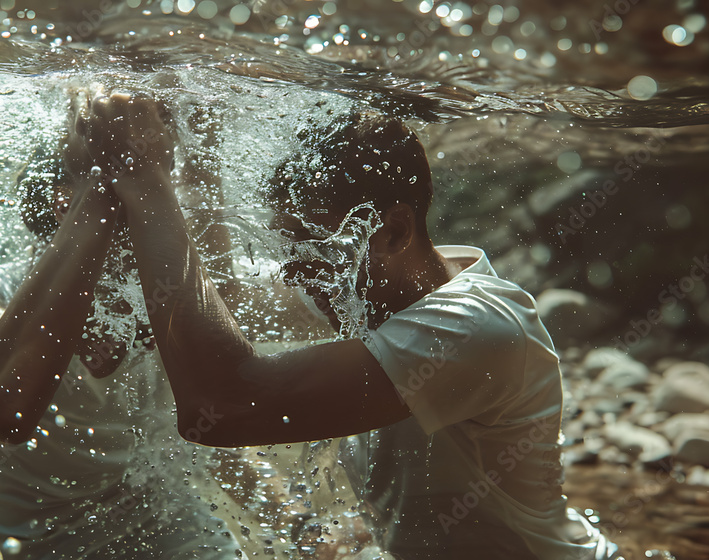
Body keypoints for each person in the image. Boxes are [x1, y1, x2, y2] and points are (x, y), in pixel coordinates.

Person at [80, 90, 623, 559]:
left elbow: (218, 406)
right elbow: (222, 299)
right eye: (288, 250)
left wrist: (144, 181)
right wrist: (202, 145)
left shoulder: (471, 326)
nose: (296, 272)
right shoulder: (362, 284)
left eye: (311, 250)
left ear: (392, 230)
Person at [0, 91, 257, 559]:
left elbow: (218, 404)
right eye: (146, 185)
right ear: (68, 203)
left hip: (183, 530)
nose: (162, 207)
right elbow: (6, 405)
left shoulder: (157, 296)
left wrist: (301, 526)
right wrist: (113, 175)